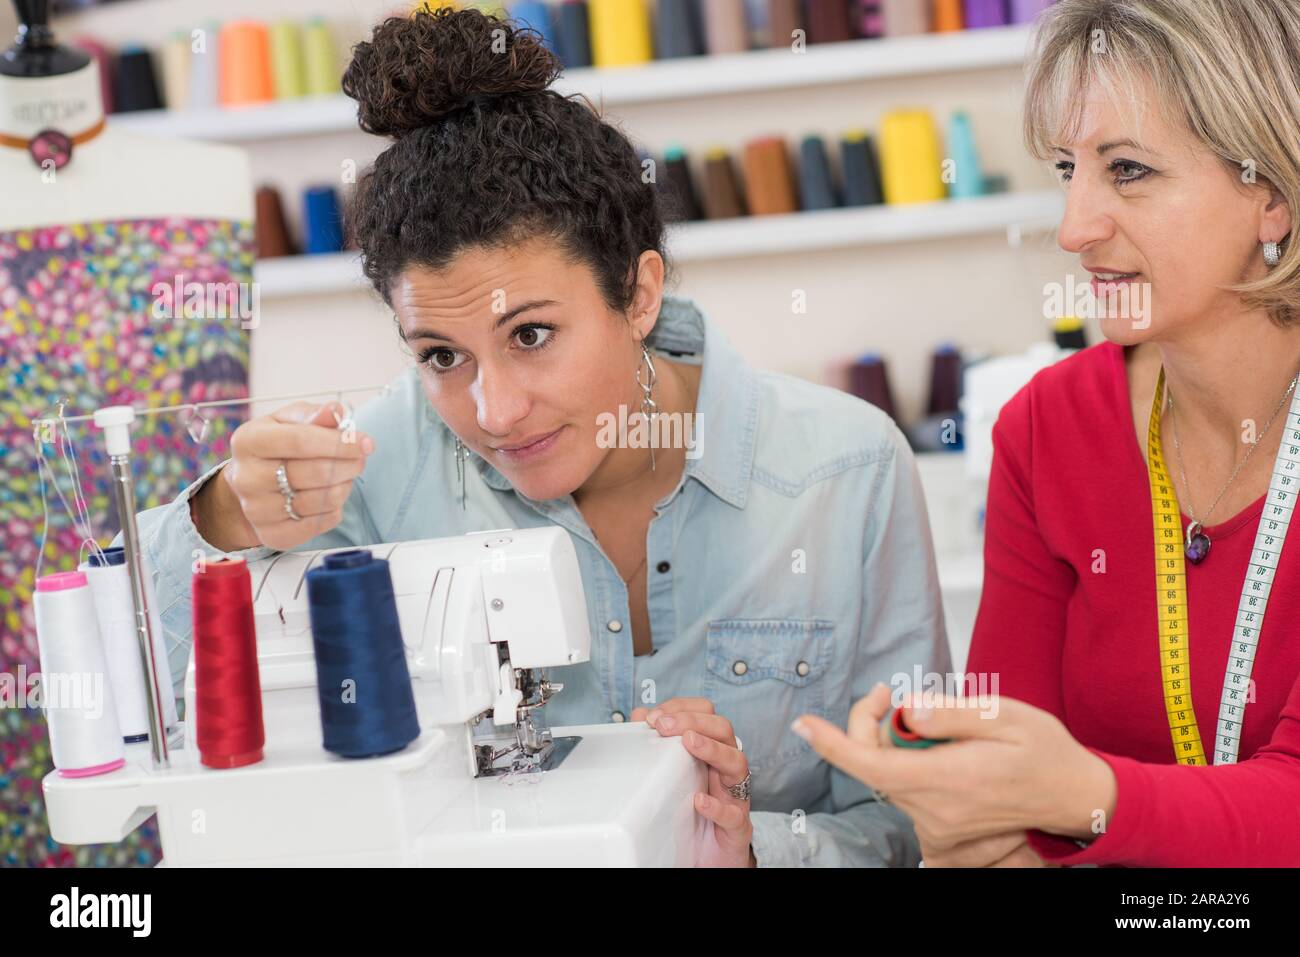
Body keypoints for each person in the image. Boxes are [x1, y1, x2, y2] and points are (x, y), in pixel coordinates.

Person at [135, 7, 949, 867]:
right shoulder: (376, 471)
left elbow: (912, 823)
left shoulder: (846, 471)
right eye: (442, 355)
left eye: (530, 335)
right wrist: (226, 512)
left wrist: (755, 853)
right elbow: (159, 683)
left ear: (639, 295)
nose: (494, 411)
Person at [796, 0, 1300, 867]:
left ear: (1273, 198)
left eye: (1130, 170)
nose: (1074, 228)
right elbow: (1008, 770)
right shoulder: (1049, 429)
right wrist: (951, 785)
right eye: (1069, 169)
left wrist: (1081, 797)